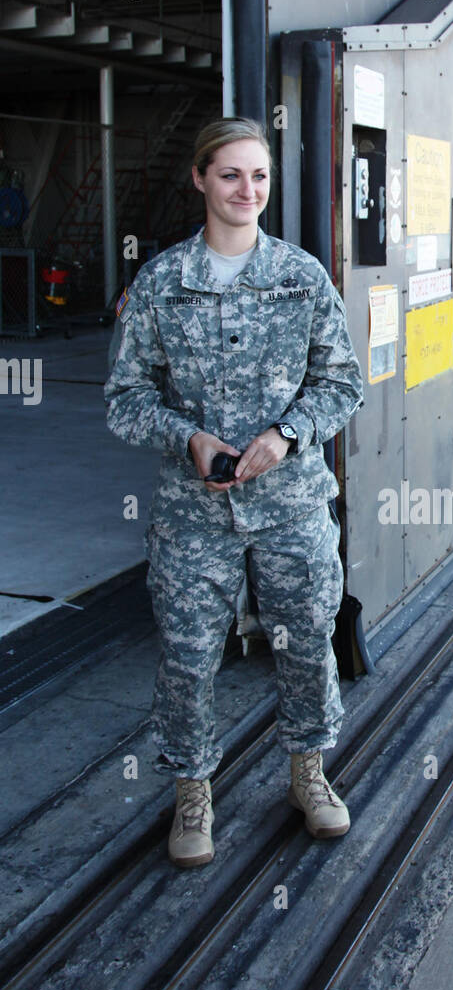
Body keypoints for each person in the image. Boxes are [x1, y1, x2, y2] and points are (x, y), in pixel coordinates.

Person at [105, 117, 363, 868]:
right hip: (194, 517)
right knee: (187, 658)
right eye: (229, 175)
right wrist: (187, 439)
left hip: (290, 507)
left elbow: (342, 382)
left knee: (307, 644)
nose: (246, 190)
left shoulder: (300, 276)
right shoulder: (161, 283)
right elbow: (124, 398)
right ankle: (192, 790)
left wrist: (285, 435)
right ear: (199, 179)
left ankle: (308, 774)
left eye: (258, 176)